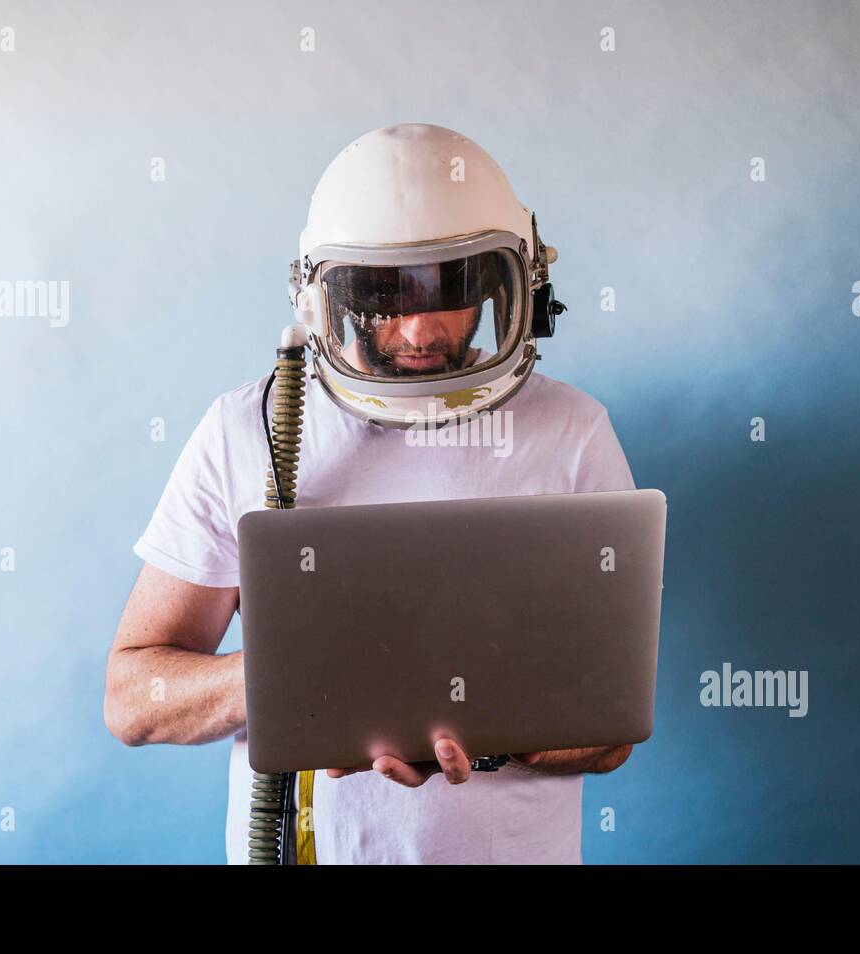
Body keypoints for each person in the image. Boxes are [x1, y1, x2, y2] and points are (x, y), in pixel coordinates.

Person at [104, 123, 638, 864]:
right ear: (327, 291)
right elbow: (133, 701)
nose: (420, 325)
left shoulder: (573, 433)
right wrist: (294, 676)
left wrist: (476, 728)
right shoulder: (244, 430)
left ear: (507, 284)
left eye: (450, 285)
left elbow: (610, 732)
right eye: (388, 290)